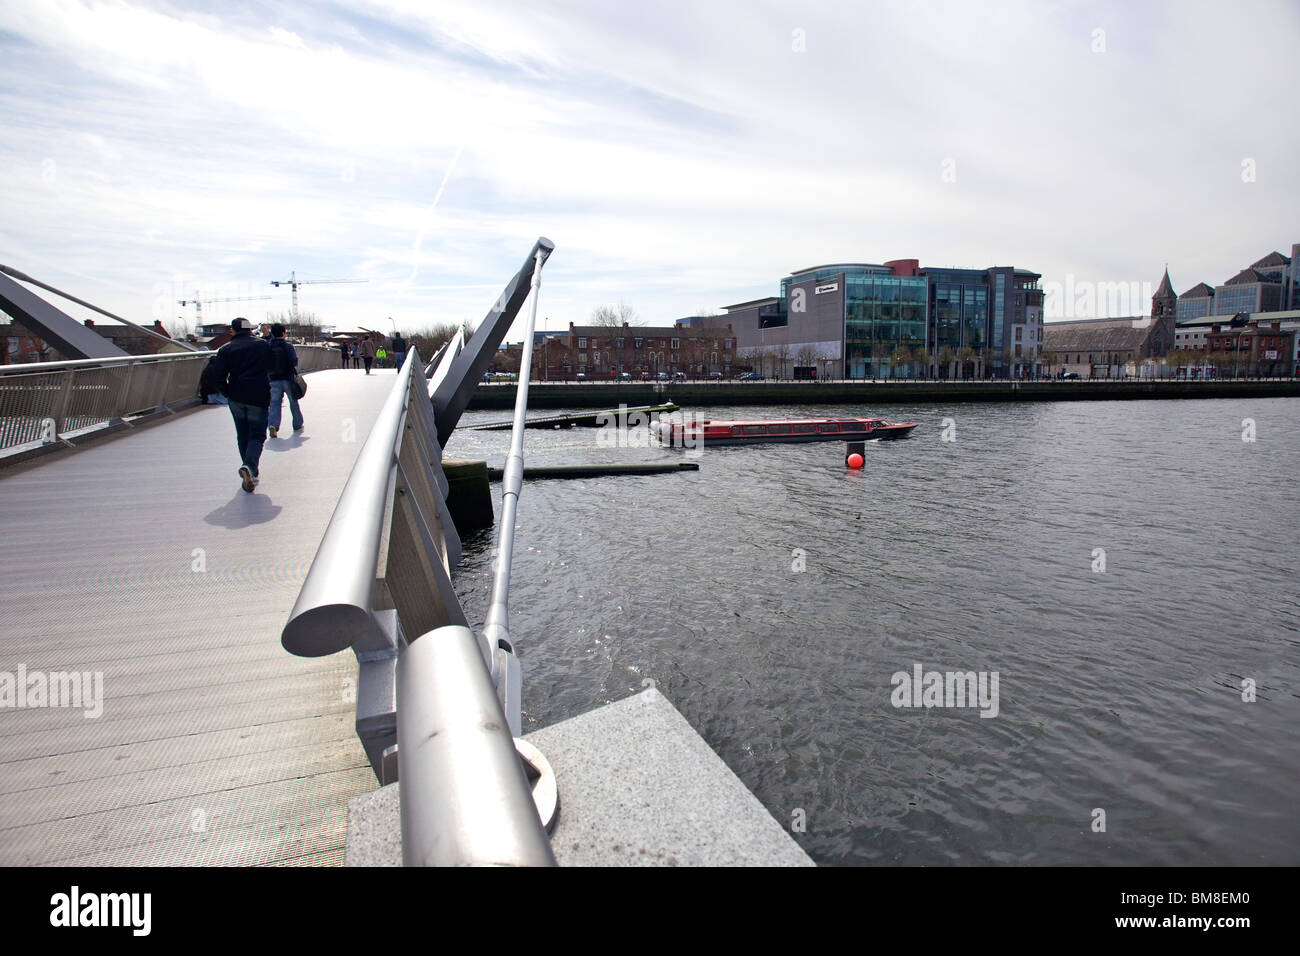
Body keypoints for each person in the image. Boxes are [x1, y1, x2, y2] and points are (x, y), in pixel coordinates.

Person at [210, 317, 272, 493]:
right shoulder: (262, 345)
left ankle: (249, 468)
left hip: (236, 396)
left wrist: (227, 392)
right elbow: (272, 367)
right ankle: (250, 467)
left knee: (242, 434)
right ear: (250, 330)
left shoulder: (225, 350)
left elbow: (218, 377)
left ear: (233, 331)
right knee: (257, 435)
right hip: (258, 395)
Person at [267, 323, 304, 438]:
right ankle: (297, 424)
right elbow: (293, 361)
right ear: (283, 333)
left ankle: (273, 425)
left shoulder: (267, 346)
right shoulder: (288, 346)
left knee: (274, 403)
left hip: (273, 379)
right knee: (293, 401)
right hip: (287, 378)